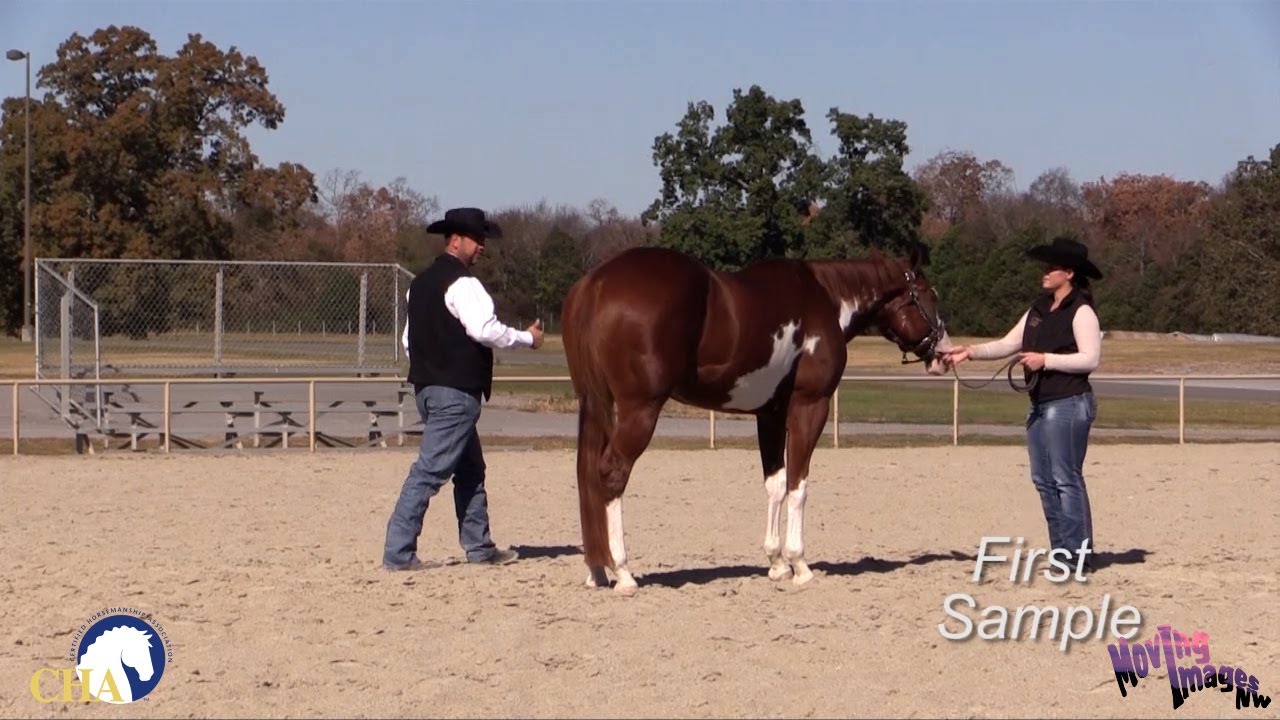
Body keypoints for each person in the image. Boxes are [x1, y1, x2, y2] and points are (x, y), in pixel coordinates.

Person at [383, 207, 544, 571]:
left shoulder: (418, 285)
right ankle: (398, 552)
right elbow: (484, 330)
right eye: (477, 238)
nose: (482, 245)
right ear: (456, 240)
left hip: (427, 389)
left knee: (470, 469)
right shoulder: (464, 284)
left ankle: (479, 547)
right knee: (429, 471)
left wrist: (432, 365)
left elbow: (408, 341)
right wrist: (526, 338)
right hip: (455, 393)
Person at [939, 235, 1103, 573]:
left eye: (1052, 267)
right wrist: (971, 352)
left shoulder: (1081, 311)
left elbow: (1090, 359)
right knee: (1043, 479)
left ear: (1069, 273)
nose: (1045, 272)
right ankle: (1063, 551)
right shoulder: (1038, 309)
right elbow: (1008, 343)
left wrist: (1046, 359)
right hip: (1040, 403)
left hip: (1069, 402)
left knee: (1066, 478)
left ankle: (1078, 555)